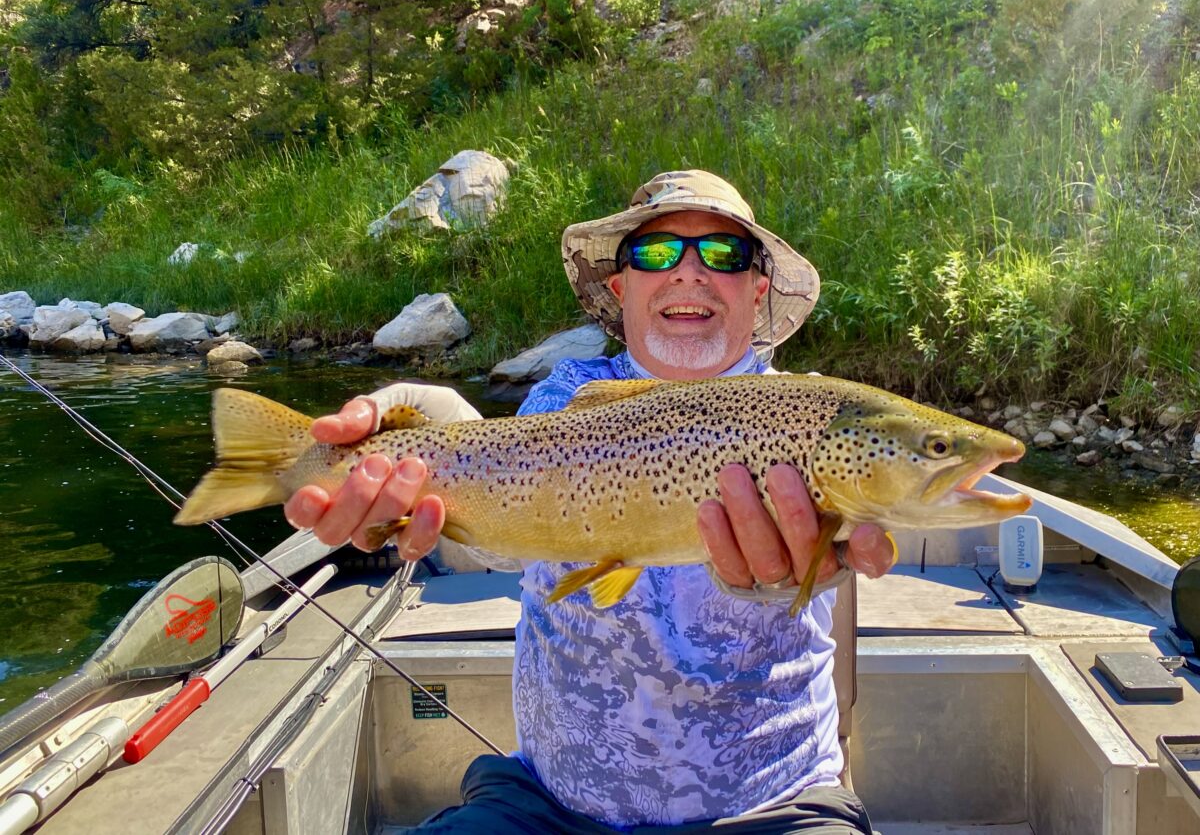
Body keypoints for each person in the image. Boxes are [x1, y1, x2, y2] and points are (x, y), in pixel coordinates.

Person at [284, 171, 896, 833]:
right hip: (550, 807)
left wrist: (808, 573)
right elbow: (501, 480)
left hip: (777, 805)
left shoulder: (817, 415)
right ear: (619, 286)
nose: (688, 272)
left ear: (758, 287)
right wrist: (408, 424)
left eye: (724, 254)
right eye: (654, 253)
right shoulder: (565, 397)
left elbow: (863, 532)